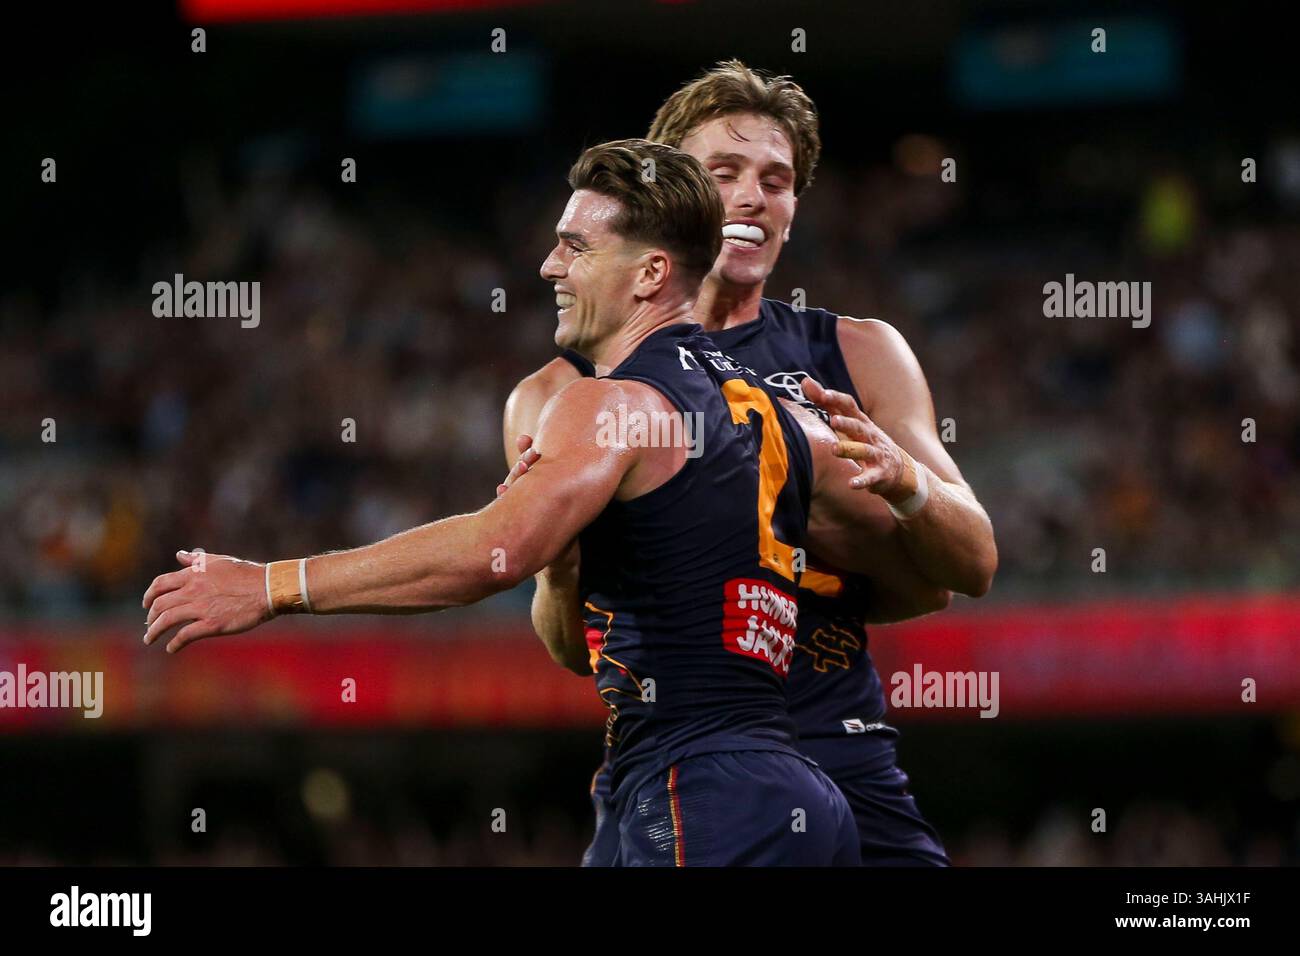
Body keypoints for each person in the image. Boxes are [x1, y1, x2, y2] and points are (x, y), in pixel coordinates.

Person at [144, 139, 932, 865]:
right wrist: (913, 485)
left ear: (650, 274)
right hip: (792, 788)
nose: (551, 265)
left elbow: (495, 553)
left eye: (576, 246)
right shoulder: (785, 419)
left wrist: (273, 586)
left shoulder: (610, 405)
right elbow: (930, 579)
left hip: (701, 786)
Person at [503, 61, 997, 866]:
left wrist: (904, 485)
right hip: (677, 766)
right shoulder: (565, 393)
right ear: (665, 197)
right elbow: (569, 649)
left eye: (778, 179)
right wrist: (559, 571)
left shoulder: (858, 352)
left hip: (842, 751)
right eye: (722, 172)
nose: (751, 197)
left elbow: (968, 563)